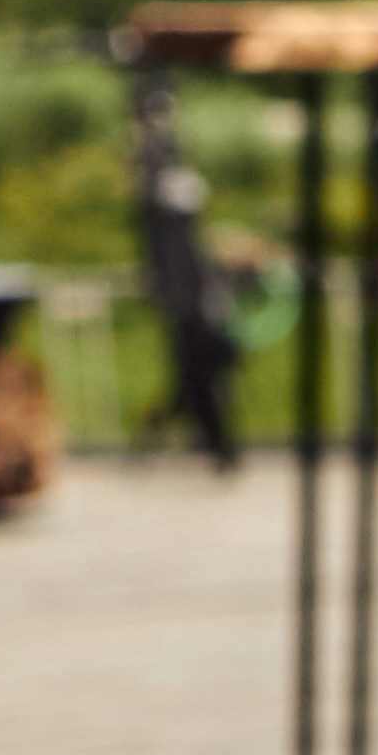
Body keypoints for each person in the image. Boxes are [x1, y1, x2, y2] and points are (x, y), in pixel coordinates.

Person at [130, 73, 238, 465]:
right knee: (196, 371)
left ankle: (207, 439)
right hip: (181, 291)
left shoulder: (168, 156)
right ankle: (215, 443)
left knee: (195, 373)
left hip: (190, 287)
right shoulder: (151, 161)